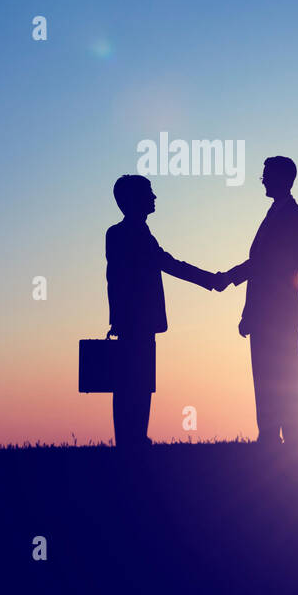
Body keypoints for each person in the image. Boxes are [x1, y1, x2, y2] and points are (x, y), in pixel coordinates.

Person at [105, 175, 220, 448]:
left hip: (132, 321)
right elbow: (168, 264)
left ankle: (131, 438)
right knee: (136, 382)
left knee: (133, 381)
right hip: (137, 321)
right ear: (133, 200)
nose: (155, 198)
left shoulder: (127, 233)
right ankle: (132, 439)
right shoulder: (132, 234)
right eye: (149, 193)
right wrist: (211, 280)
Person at [219, 156, 298, 446]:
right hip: (264, 313)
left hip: (279, 314)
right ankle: (270, 435)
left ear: (284, 178)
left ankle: (296, 437)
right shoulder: (275, 214)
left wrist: (228, 277)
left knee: (285, 375)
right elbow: (261, 266)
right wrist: (249, 312)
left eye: (266, 174)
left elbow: (270, 265)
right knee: (265, 375)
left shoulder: (296, 217)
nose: (262, 180)